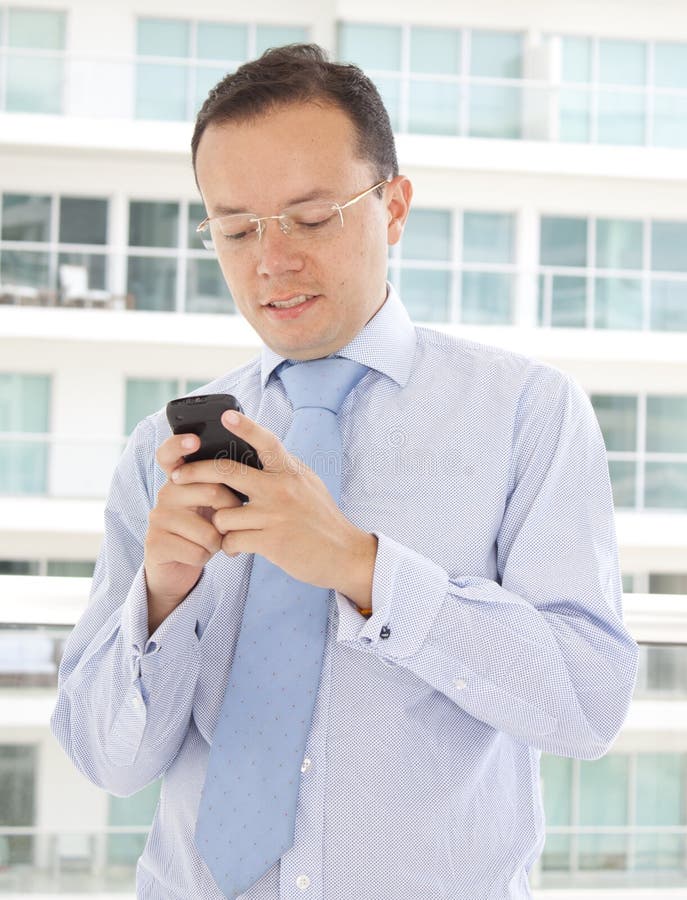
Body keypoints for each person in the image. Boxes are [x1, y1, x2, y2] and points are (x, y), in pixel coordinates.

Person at [51, 43, 639, 900]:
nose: (270, 260)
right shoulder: (166, 450)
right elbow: (108, 760)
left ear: (393, 208)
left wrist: (361, 567)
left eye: (311, 217)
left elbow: (585, 704)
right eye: (236, 227)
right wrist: (163, 599)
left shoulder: (527, 414)